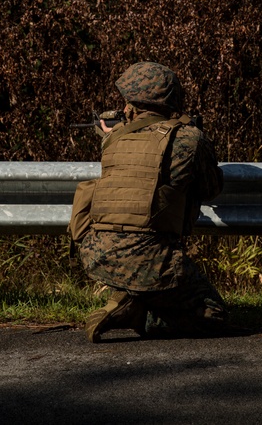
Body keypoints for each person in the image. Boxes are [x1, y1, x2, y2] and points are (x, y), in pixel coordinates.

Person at [73, 61, 227, 342]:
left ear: (130, 103)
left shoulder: (113, 139)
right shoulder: (190, 139)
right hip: (152, 259)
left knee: (148, 277)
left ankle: (131, 297)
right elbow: (211, 187)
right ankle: (139, 312)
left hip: (97, 254)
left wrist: (111, 131)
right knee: (213, 315)